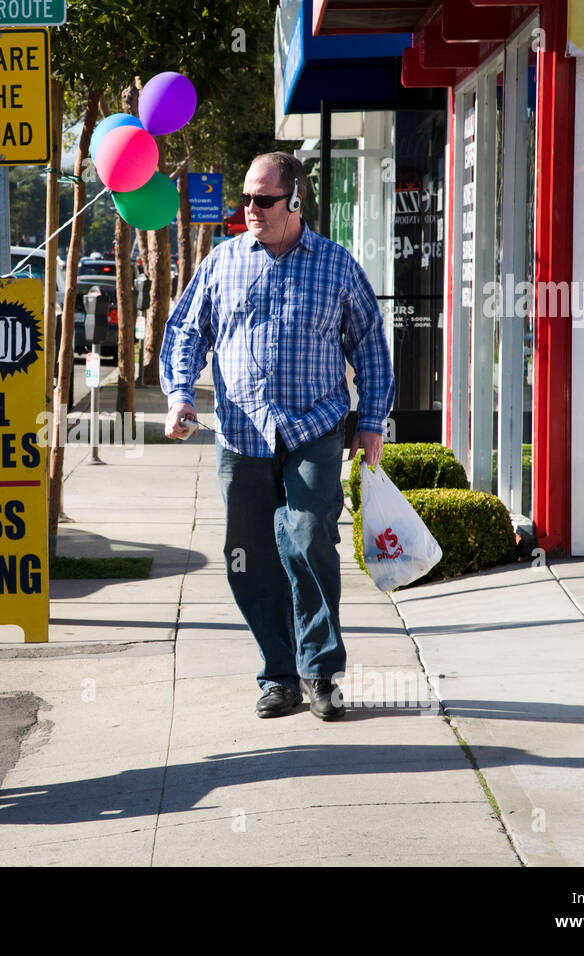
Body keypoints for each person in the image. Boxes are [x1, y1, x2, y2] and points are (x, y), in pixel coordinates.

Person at [161, 152, 394, 721]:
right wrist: (180, 394)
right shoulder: (222, 261)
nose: (250, 210)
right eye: (246, 198)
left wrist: (371, 421)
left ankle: (320, 673)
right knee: (248, 556)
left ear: (294, 201)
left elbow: (369, 342)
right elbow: (187, 329)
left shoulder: (336, 265)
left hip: (313, 425)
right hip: (240, 432)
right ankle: (278, 675)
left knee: (310, 538)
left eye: (263, 200)